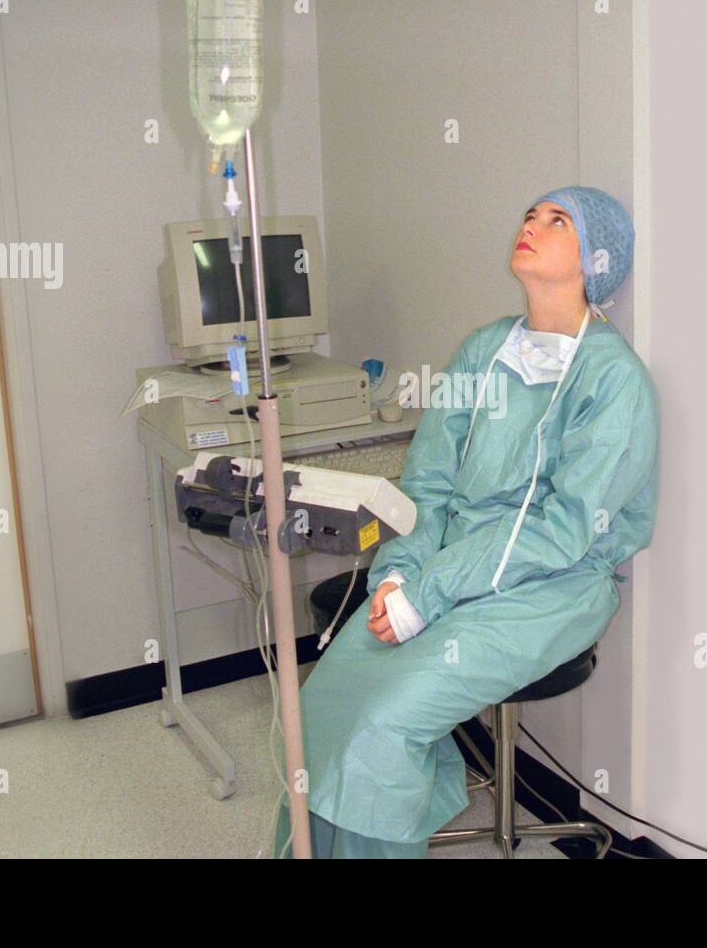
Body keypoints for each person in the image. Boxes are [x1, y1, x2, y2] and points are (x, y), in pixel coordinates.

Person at [270, 185, 659, 858]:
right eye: (531, 214)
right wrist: (398, 575)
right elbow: (427, 484)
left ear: (595, 259)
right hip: (442, 566)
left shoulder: (616, 381)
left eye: (557, 220)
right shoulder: (481, 352)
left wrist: (431, 593)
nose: (532, 225)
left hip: (553, 587)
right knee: (320, 708)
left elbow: (566, 527)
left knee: (383, 725)